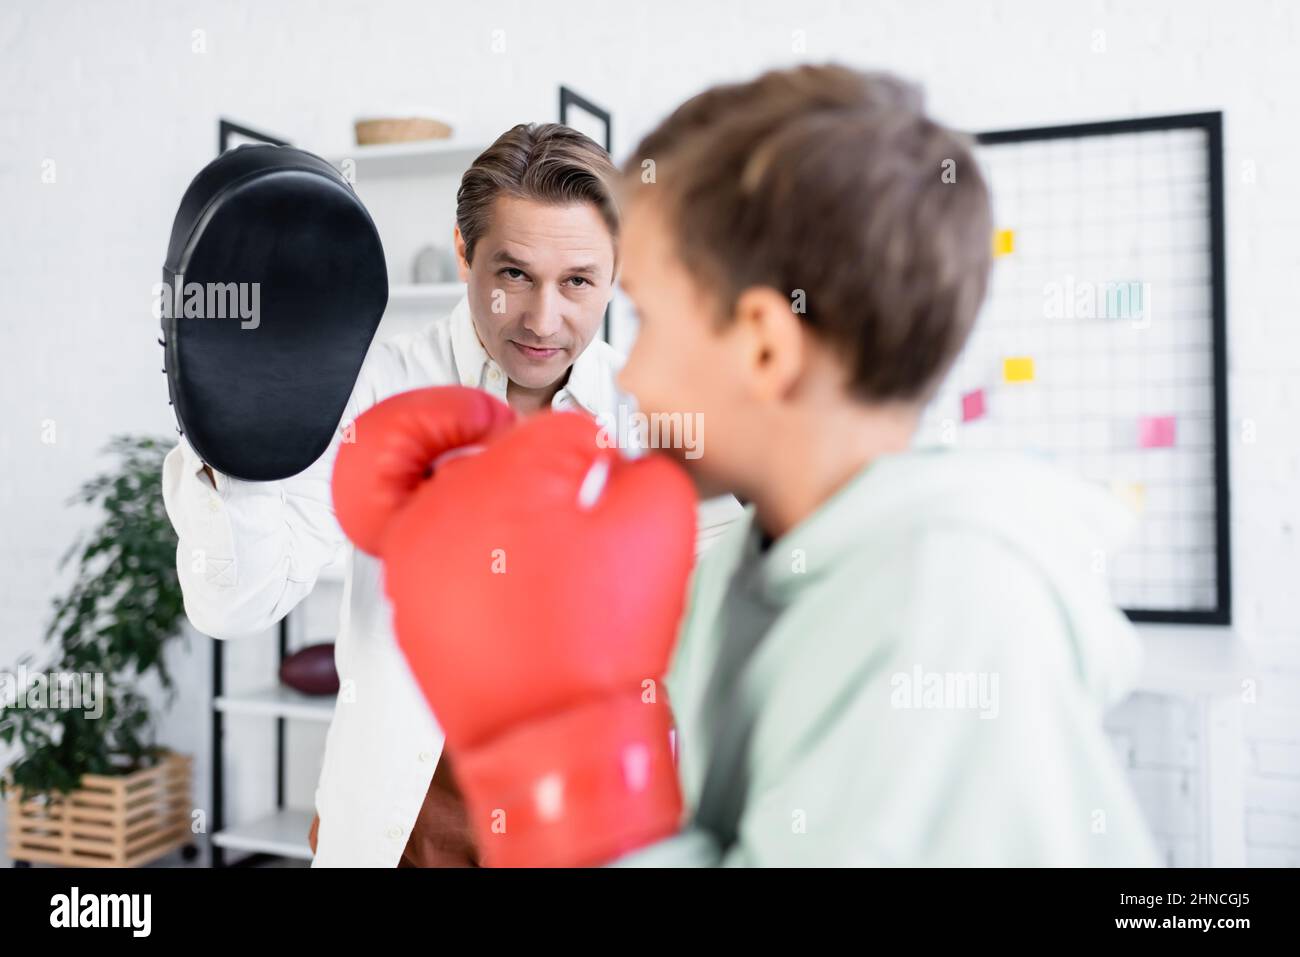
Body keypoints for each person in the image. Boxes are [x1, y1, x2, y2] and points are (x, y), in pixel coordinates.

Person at [335, 64, 1161, 866]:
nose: (628, 371)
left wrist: (561, 762)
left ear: (766, 342)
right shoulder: (760, 558)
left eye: (652, 318)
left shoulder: (942, 606)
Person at [164, 123, 636, 866]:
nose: (544, 321)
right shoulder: (376, 389)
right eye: (512, 274)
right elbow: (233, 605)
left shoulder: (648, 413)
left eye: (578, 281)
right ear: (462, 252)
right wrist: (238, 435)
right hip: (402, 833)